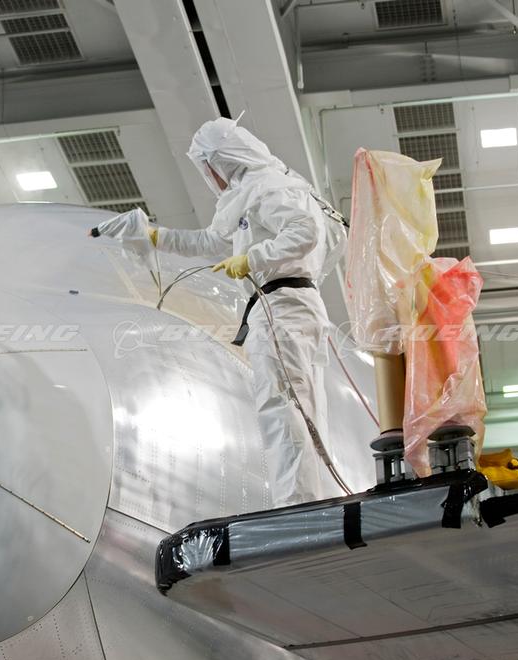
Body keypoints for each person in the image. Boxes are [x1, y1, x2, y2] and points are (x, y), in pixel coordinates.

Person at [100, 118, 347, 505]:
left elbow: (304, 232)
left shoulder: (270, 188)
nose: (208, 176)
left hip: (284, 305)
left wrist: (252, 258)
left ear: (222, 160)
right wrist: (155, 236)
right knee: (298, 405)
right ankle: (309, 500)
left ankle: (299, 505)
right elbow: (214, 242)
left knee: (283, 404)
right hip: (282, 306)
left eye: (208, 166)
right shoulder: (251, 195)